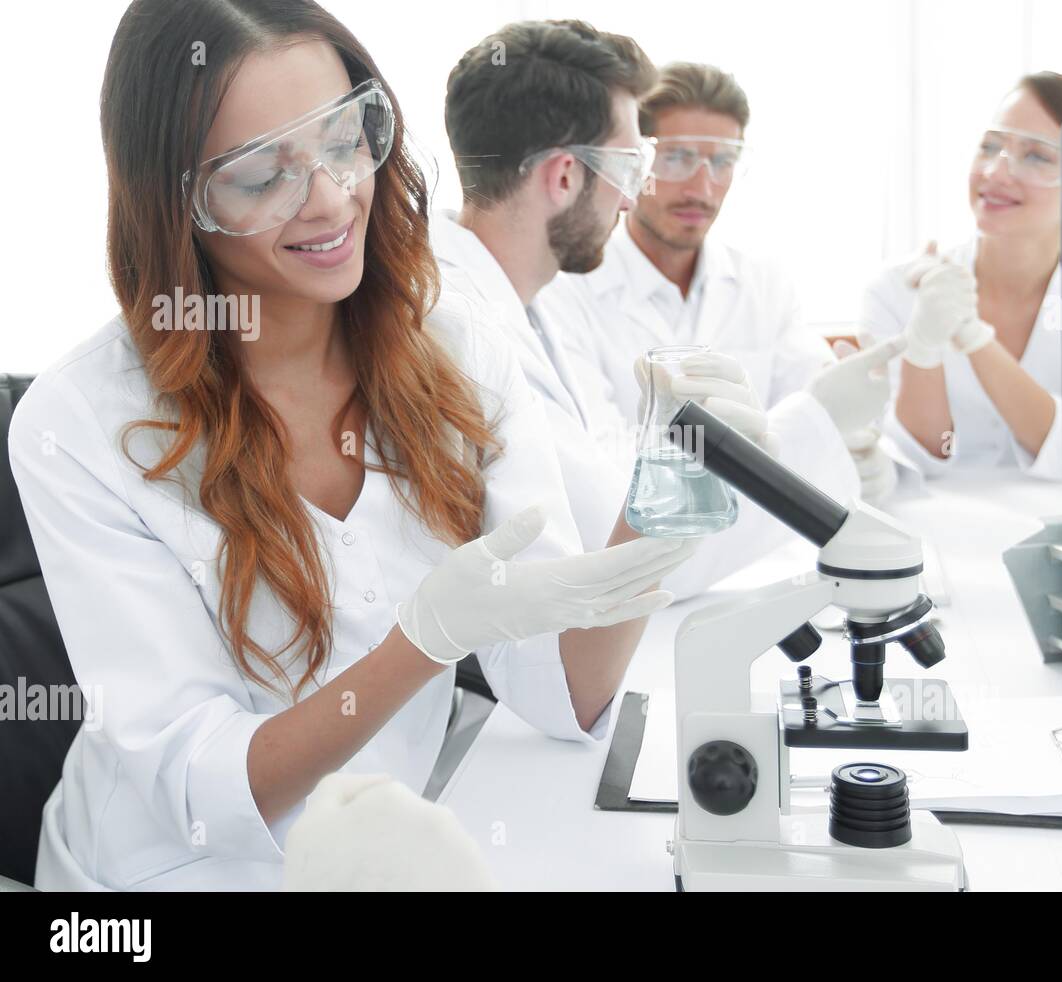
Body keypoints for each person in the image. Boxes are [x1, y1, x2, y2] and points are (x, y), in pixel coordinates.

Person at [8, 0, 688, 891]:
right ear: (173, 202)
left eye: (344, 137)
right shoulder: (83, 422)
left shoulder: (455, 342)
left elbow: (562, 688)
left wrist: (675, 482)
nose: (331, 197)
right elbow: (199, 789)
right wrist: (422, 642)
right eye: (261, 175)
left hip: (384, 855)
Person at [438, 26, 897, 598]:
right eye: (636, 166)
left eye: (722, 161)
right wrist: (816, 425)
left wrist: (841, 445)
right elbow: (611, 552)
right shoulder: (467, 325)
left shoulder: (514, 302)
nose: (633, 195)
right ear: (563, 176)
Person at [549, 62, 901, 506]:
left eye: (723, 160)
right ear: (635, 163)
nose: (703, 187)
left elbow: (823, 419)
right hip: (641, 559)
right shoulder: (568, 292)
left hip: (771, 554)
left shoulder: (764, 285)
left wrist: (861, 457)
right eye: (676, 158)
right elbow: (606, 479)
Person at [864, 72, 1062, 480]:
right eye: (989, 147)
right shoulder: (898, 289)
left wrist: (971, 335)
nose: (994, 172)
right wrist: (924, 344)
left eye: (1037, 156)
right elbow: (925, 453)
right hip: (935, 530)